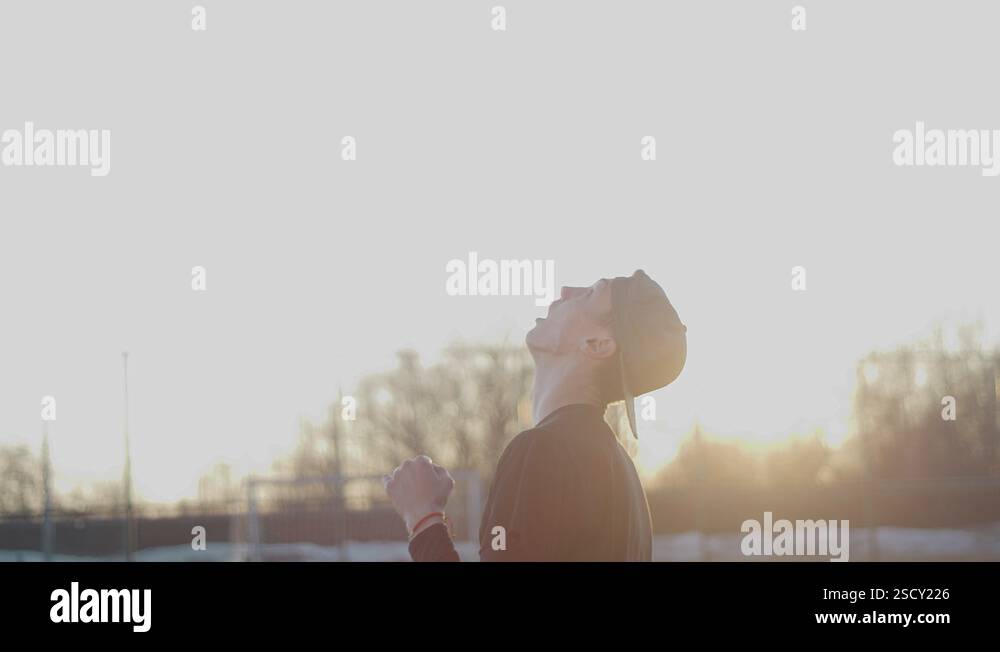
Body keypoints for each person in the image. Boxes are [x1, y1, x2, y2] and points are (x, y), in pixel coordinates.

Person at [383, 270, 687, 561]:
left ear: (598, 345)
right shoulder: (624, 475)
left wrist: (423, 518)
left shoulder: (543, 451)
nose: (566, 290)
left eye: (589, 294)